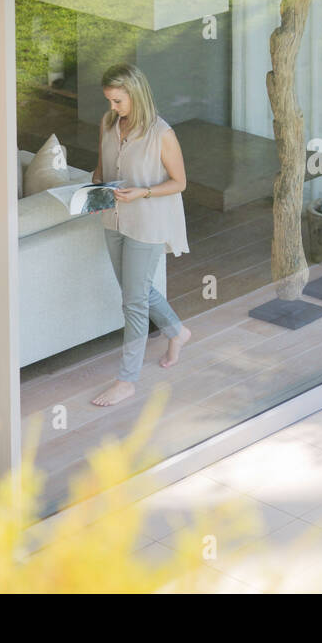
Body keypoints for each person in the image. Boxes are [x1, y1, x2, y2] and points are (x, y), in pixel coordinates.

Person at [90, 62, 191, 407]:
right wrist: (94, 185)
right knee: (138, 290)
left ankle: (127, 380)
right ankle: (178, 331)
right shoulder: (107, 124)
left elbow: (180, 183)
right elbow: (102, 169)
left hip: (147, 223)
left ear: (136, 95)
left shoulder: (162, 134)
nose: (113, 108)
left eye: (118, 101)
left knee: (133, 301)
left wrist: (142, 192)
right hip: (113, 220)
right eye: (110, 101)